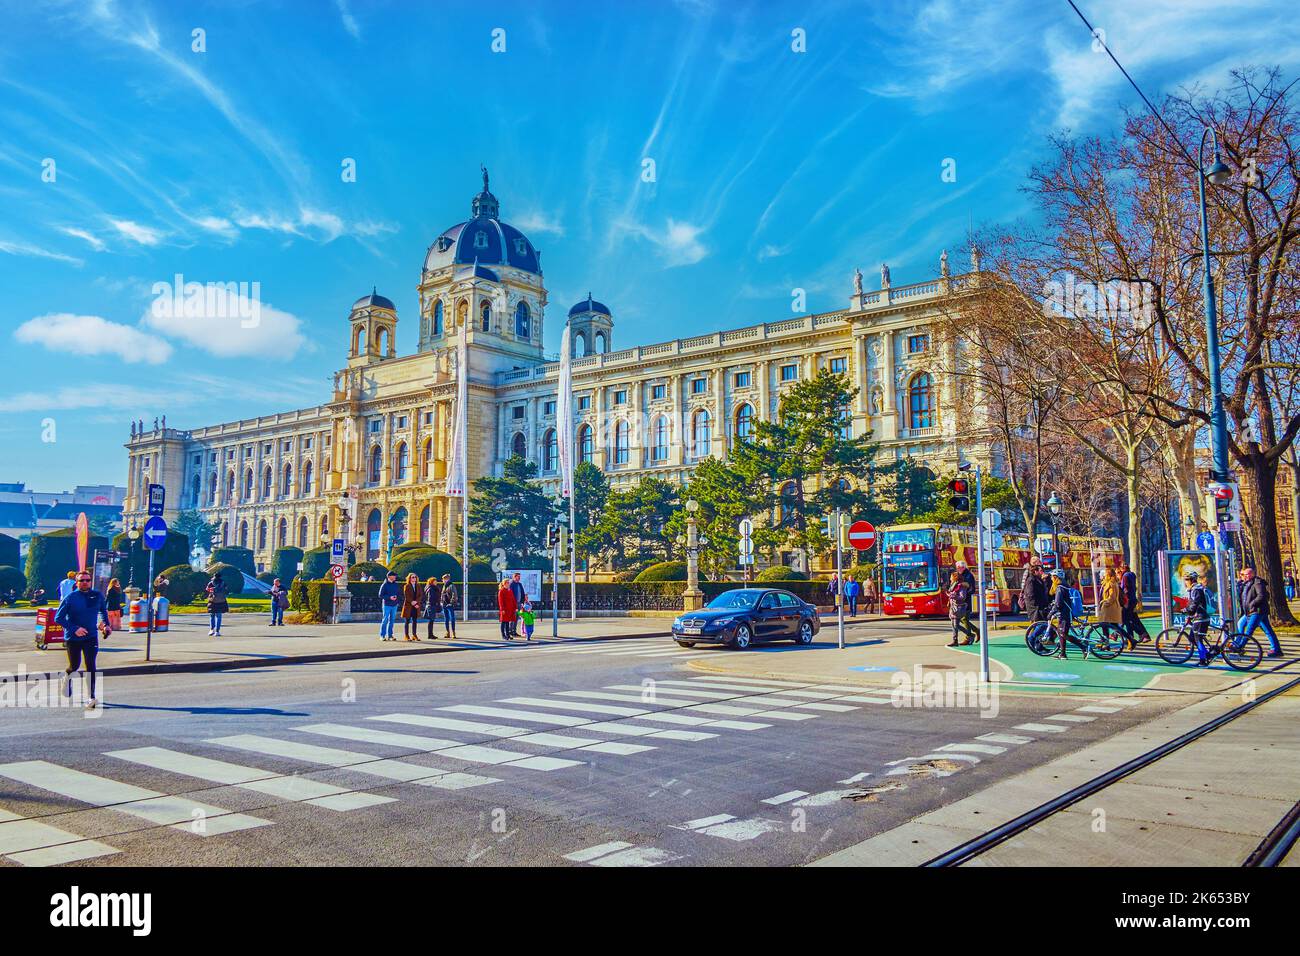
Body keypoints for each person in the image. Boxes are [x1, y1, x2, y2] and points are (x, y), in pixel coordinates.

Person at [54, 570, 110, 709]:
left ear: (90, 581)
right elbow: (58, 618)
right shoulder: (70, 598)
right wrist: (74, 628)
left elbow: (103, 611)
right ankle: (67, 678)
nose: (85, 582)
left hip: (91, 637)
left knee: (91, 665)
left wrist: (106, 625)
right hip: (73, 638)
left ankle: (91, 697)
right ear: (77, 583)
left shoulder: (97, 596)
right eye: (82, 580)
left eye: (87, 580)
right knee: (75, 666)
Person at [1238, 566, 1283, 658]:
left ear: (1251, 574)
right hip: (1249, 612)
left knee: (1249, 630)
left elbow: (1261, 596)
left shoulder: (1258, 583)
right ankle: (1276, 649)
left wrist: (1252, 604)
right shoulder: (1247, 584)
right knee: (1242, 624)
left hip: (1257, 611)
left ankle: (1240, 646)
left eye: (1245, 574)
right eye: (1243, 575)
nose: (1244, 576)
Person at [1184, 570, 1212, 666]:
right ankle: (1207, 654)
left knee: (1197, 639)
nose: (1185, 581)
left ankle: (1203, 660)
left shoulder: (1196, 589)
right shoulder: (1195, 589)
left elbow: (1195, 603)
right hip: (1199, 617)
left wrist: (1188, 611)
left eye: (1187, 579)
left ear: (1192, 580)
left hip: (1201, 618)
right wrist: (1187, 610)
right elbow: (1192, 603)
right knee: (1192, 638)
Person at [1096, 566, 1125, 646]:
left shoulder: (1111, 583)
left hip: (1109, 608)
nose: (1102, 576)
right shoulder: (1106, 583)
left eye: (1104, 574)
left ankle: (1106, 643)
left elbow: (1112, 597)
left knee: (1106, 625)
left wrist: (1104, 603)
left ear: (1108, 575)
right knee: (1107, 626)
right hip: (1107, 608)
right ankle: (1106, 643)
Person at [946, 571, 976, 646]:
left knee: (956, 625)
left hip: (958, 608)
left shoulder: (961, 586)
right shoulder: (953, 585)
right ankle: (956, 640)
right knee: (954, 625)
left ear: (955, 578)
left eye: (951, 577)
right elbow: (952, 594)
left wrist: (953, 596)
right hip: (953, 607)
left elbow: (962, 597)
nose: (950, 579)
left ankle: (969, 635)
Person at [1118, 561, 1146, 645]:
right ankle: (1131, 637)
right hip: (1132, 599)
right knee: (1128, 619)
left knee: (1125, 619)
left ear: (1122, 569)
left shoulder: (1125, 577)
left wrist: (1125, 601)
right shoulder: (1131, 575)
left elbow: (1125, 589)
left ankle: (1138, 634)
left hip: (1128, 600)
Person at [1048, 569, 1073, 658]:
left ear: (1055, 577)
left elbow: (1058, 603)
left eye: (1051, 577)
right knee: (1061, 634)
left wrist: (1051, 613)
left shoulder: (1060, 588)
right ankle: (1062, 654)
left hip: (1064, 614)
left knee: (1063, 634)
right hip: (1065, 613)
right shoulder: (1064, 586)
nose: (1051, 578)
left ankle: (1083, 647)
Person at [378, 571, 402, 641]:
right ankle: (382, 635)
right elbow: (380, 595)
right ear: (389, 577)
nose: (395, 577)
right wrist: (389, 597)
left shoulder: (395, 584)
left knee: (392, 620)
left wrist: (396, 600)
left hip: (394, 605)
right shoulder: (384, 584)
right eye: (394, 576)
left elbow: (398, 593)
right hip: (387, 605)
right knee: (385, 620)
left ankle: (390, 635)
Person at [400, 573, 424, 641]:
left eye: (415, 577)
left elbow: (420, 595)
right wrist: (412, 602)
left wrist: (416, 602)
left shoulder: (418, 586)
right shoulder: (407, 586)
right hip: (408, 606)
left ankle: (414, 635)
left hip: (415, 606)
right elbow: (407, 596)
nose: (414, 578)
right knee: (407, 621)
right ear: (409, 578)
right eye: (412, 577)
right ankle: (406, 635)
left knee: (415, 621)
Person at [205, 572, 228, 637]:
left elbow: (207, 589)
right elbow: (226, 589)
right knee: (219, 616)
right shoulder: (223, 582)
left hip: (212, 601)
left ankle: (211, 630)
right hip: (221, 601)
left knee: (212, 615)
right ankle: (217, 631)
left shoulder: (211, 583)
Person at [508, 572, 526, 637]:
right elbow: (510, 594)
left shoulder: (519, 584)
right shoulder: (511, 584)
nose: (519, 578)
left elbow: (522, 593)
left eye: (519, 577)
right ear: (514, 577)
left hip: (518, 603)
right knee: (512, 617)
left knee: (516, 618)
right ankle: (510, 631)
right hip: (513, 604)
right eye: (518, 576)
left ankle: (514, 631)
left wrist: (522, 602)